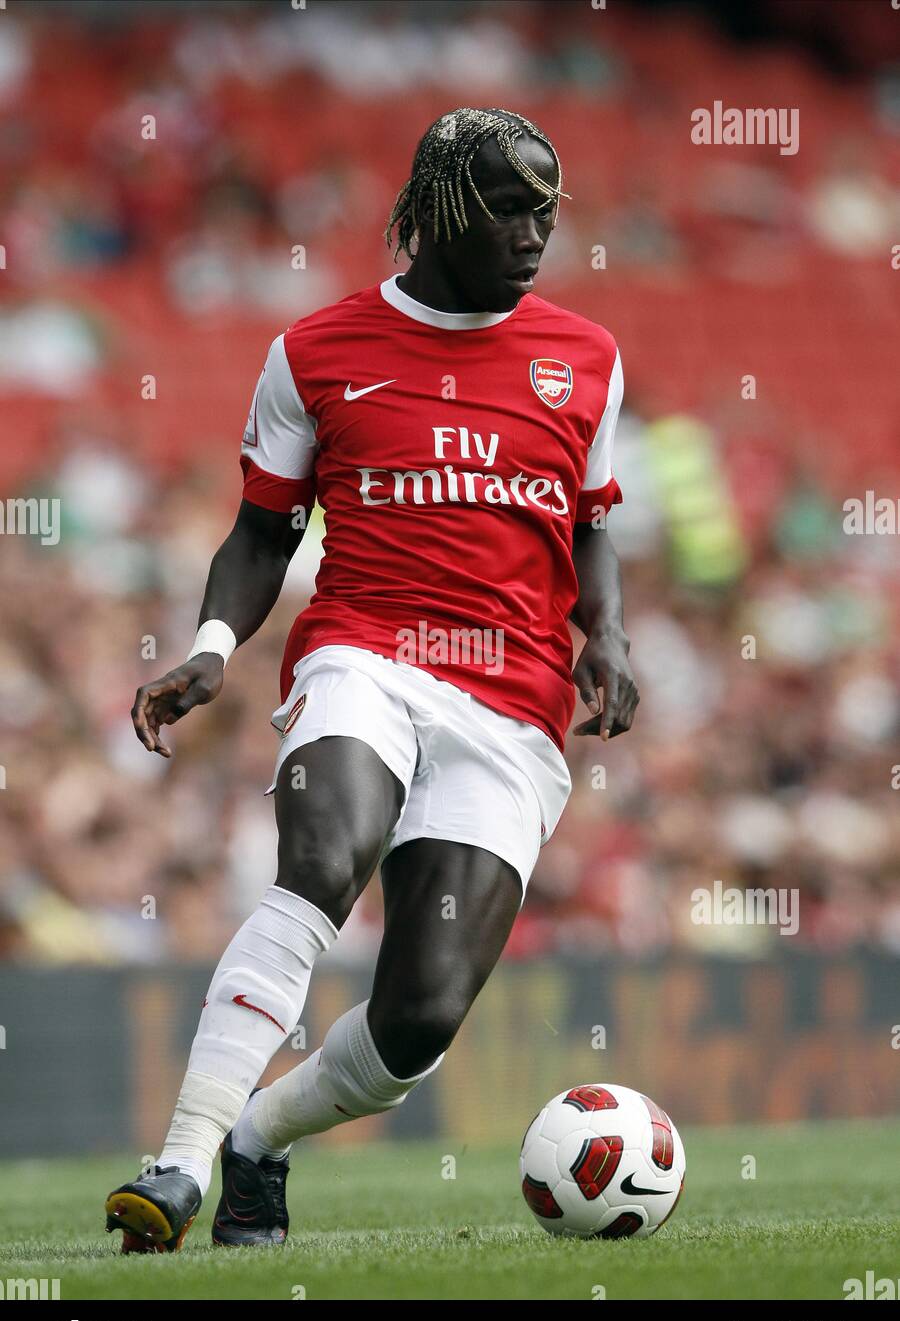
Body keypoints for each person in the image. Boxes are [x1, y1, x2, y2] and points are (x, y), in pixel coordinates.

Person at [105, 106, 638, 1253]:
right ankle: (182, 1159)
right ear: (439, 211)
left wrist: (609, 634)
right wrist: (212, 646)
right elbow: (262, 533)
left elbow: (592, 523)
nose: (534, 233)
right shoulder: (315, 352)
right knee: (323, 859)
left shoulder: (587, 358)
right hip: (367, 649)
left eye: (547, 211)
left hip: (514, 695)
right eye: (509, 208)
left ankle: (258, 1137)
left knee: (420, 1018)